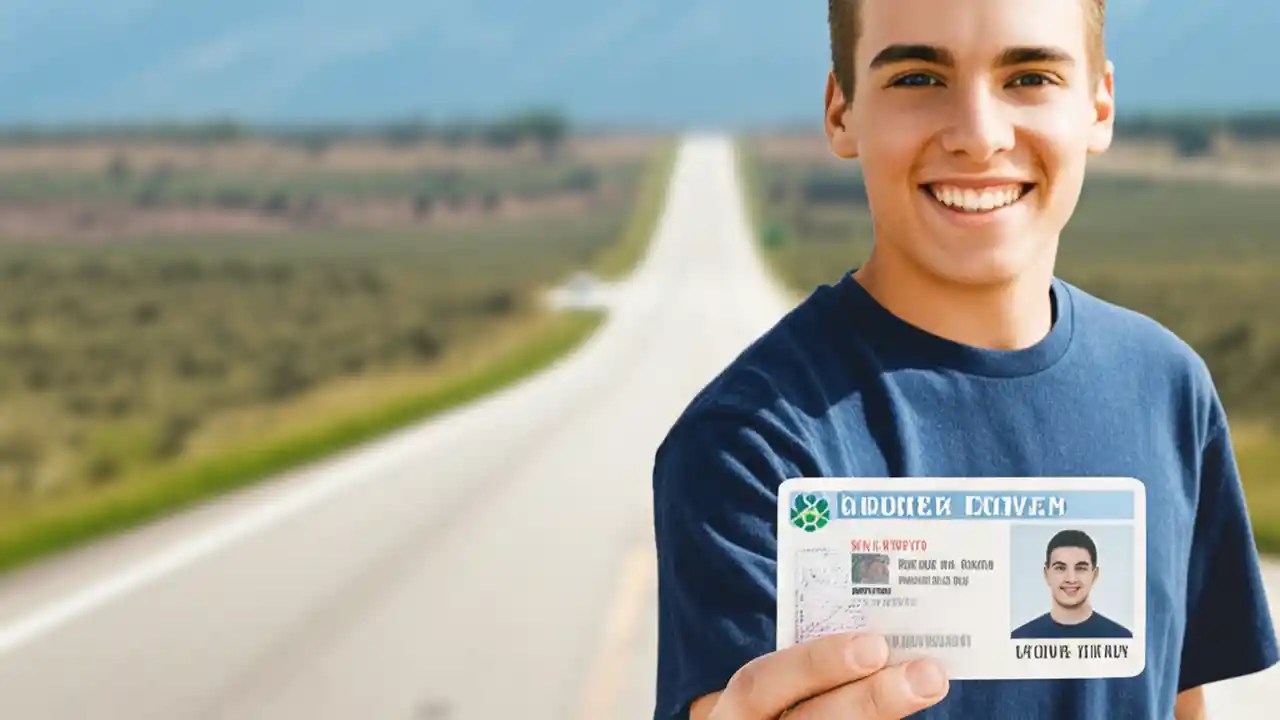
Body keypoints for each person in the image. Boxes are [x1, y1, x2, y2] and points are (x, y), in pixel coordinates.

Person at [650, 0, 1279, 718]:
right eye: (919, 78)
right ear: (841, 112)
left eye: (1030, 76)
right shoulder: (747, 447)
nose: (979, 137)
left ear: (1098, 106)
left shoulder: (1168, 390)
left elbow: (1177, 701)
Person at [1011, 529, 1132, 639]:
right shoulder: (1021, 639)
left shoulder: (1120, 638)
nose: (1071, 579)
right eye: (1060, 568)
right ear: (1046, 574)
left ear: (1095, 575)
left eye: (1080, 568)